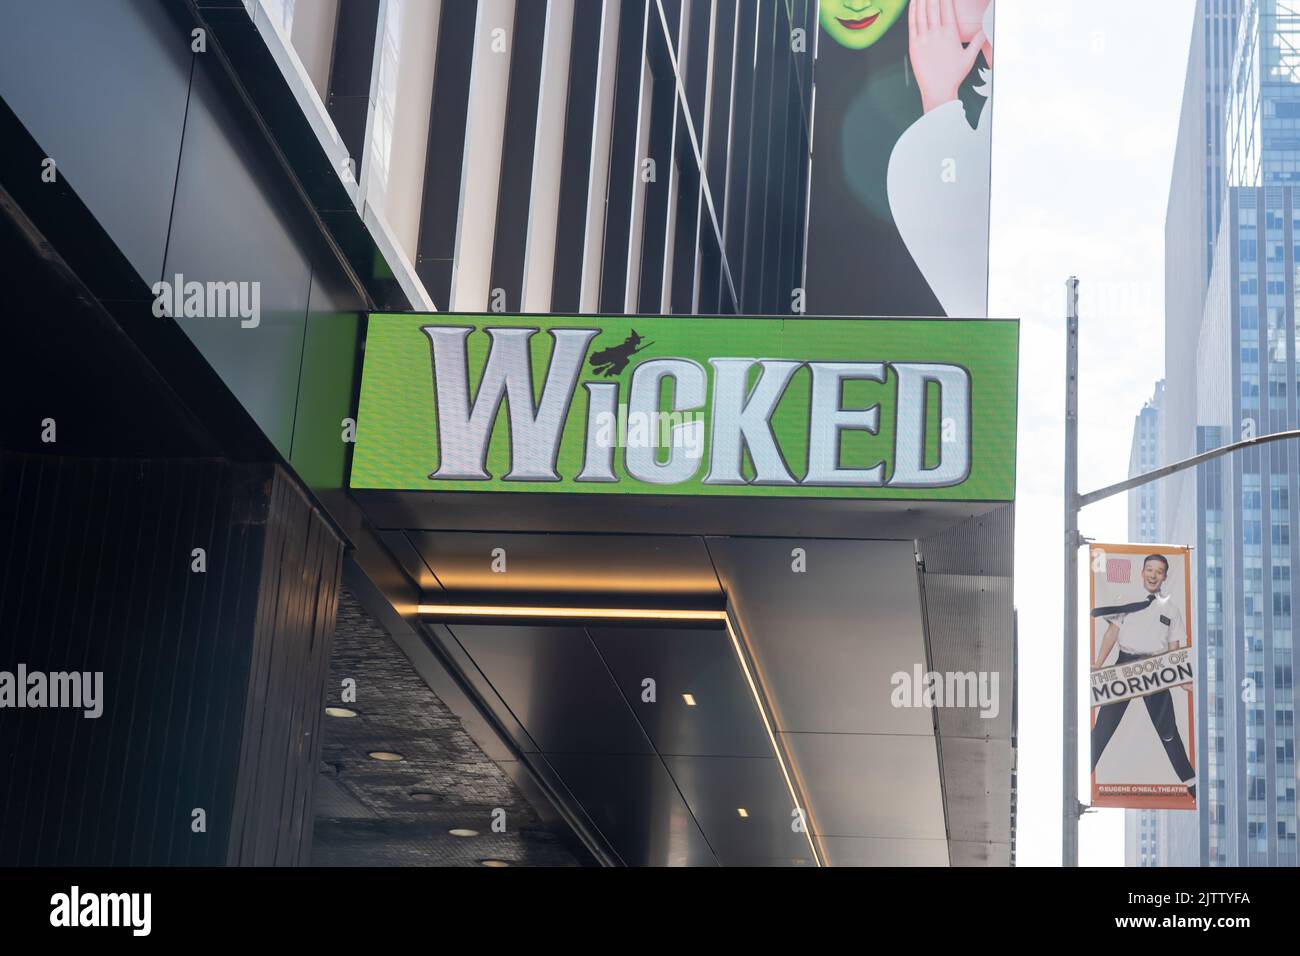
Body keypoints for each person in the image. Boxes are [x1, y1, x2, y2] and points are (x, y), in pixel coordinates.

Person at [1090, 554, 1196, 798]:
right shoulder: (1127, 600)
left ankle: (1192, 785)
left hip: (1155, 669)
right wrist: (1098, 663)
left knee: (1169, 732)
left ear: (1164, 577)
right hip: (1125, 666)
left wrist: (1182, 678)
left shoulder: (1171, 609)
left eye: (1158, 571)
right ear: (1142, 573)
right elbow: (1111, 634)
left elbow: (1174, 647)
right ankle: (1079, 772)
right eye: (1149, 569)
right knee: (1104, 728)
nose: (1153, 575)